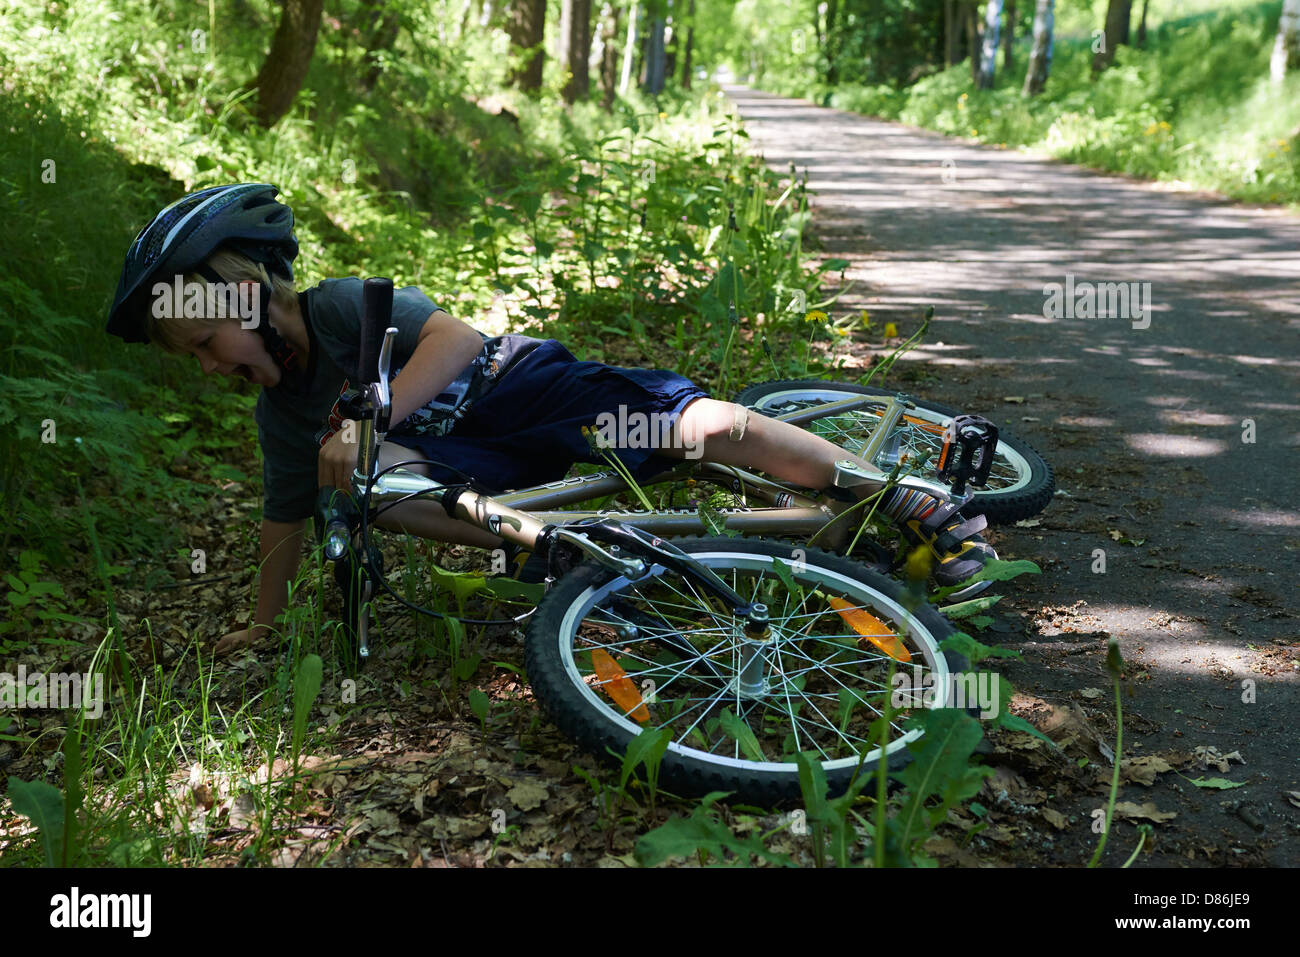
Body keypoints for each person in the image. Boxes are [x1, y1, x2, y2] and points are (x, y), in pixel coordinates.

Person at [107, 183, 995, 655]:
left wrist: (369, 413)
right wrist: (262, 625)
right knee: (369, 486)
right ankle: (544, 548)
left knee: (701, 431)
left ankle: (897, 491)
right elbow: (282, 516)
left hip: (518, 388)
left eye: (203, 337)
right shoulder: (277, 414)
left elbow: (453, 341)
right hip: (489, 469)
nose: (208, 363)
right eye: (191, 355)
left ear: (250, 288)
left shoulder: (343, 310)